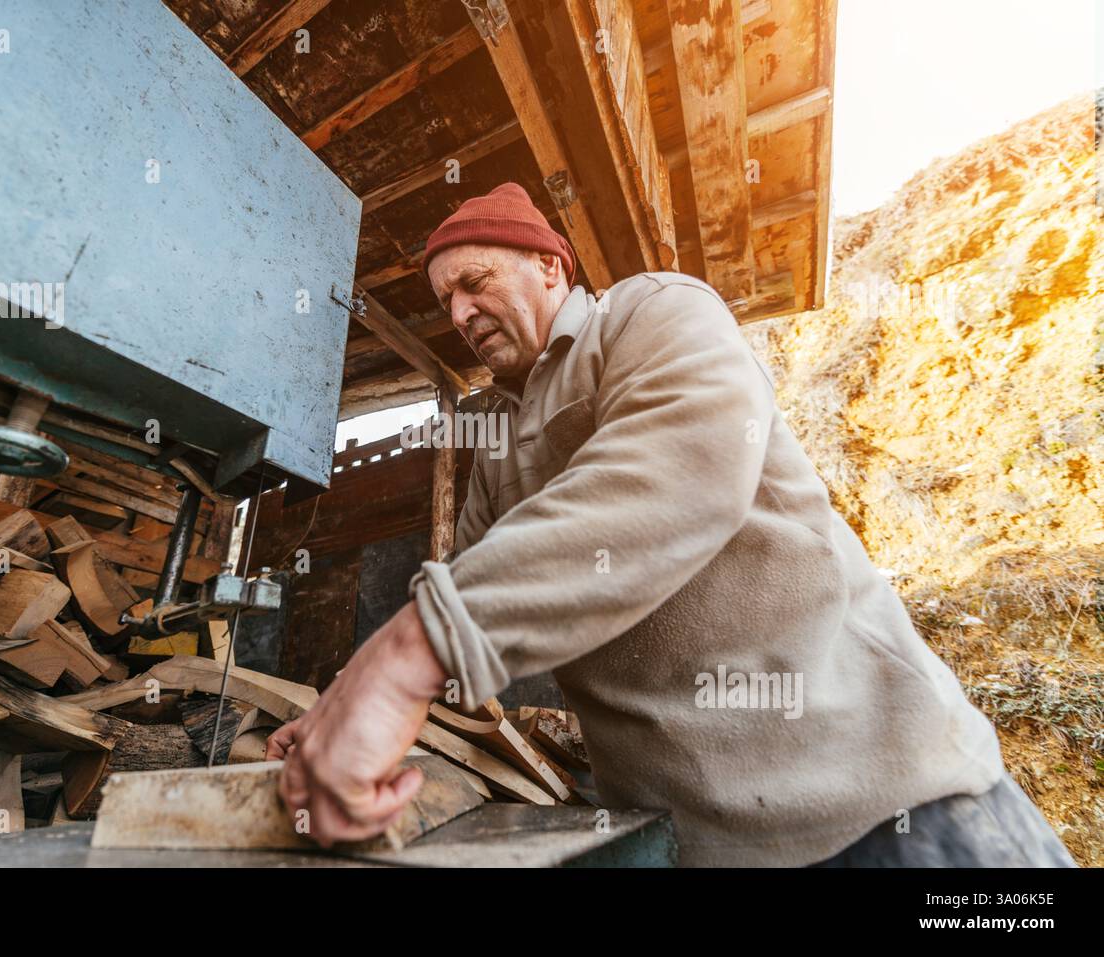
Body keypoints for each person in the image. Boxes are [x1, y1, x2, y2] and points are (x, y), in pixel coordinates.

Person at [267, 182, 1075, 867]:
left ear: (551, 264)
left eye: (475, 280)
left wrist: (411, 648)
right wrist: (337, 704)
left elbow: (676, 468)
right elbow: (471, 603)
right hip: (703, 845)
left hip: (899, 813)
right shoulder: (497, 452)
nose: (461, 311)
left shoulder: (654, 314)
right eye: (447, 300)